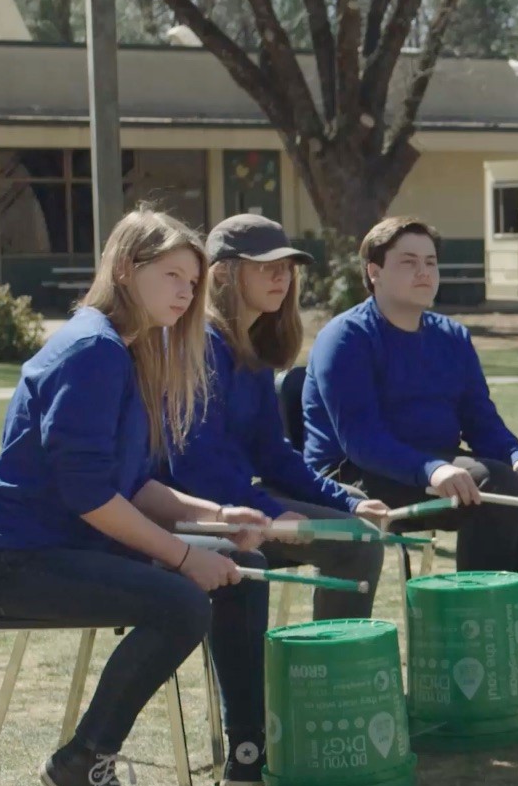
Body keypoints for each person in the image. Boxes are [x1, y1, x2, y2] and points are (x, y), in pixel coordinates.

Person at [0, 208, 273, 786]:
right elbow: (89, 496)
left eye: (193, 281)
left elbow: (130, 484)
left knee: (240, 567)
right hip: (19, 562)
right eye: (172, 276)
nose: (186, 293)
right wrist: (183, 557)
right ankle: (83, 760)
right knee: (181, 604)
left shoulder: (130, 347)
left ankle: (248, 754)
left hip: (68, 545)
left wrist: (216, 517)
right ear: (128, 270)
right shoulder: (94, 351)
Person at [302, 217, 518, 581]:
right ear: (374, 272)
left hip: (435, 466)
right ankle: (477, 609)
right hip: (354, 476)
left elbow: (481, 420)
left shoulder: (452, 336)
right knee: (493, 484)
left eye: (430, 262)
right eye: (408, 262)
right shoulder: (346, 338)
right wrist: (432, 469)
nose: (424, 272)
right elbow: (362, 441)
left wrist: (517, 458)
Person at [165, 213, 388, 622]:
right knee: (358, 543)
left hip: (234, 500)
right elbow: (195, 465)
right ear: (223, 274)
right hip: (187, 512)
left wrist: (344, 500)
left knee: (356, 510)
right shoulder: (199, 345)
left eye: (286, 267)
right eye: (266, 266)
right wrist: (268, 510)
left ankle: (333, 654)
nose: (281, 277)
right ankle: (332, 659)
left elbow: (273, 454)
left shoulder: (252, 349)